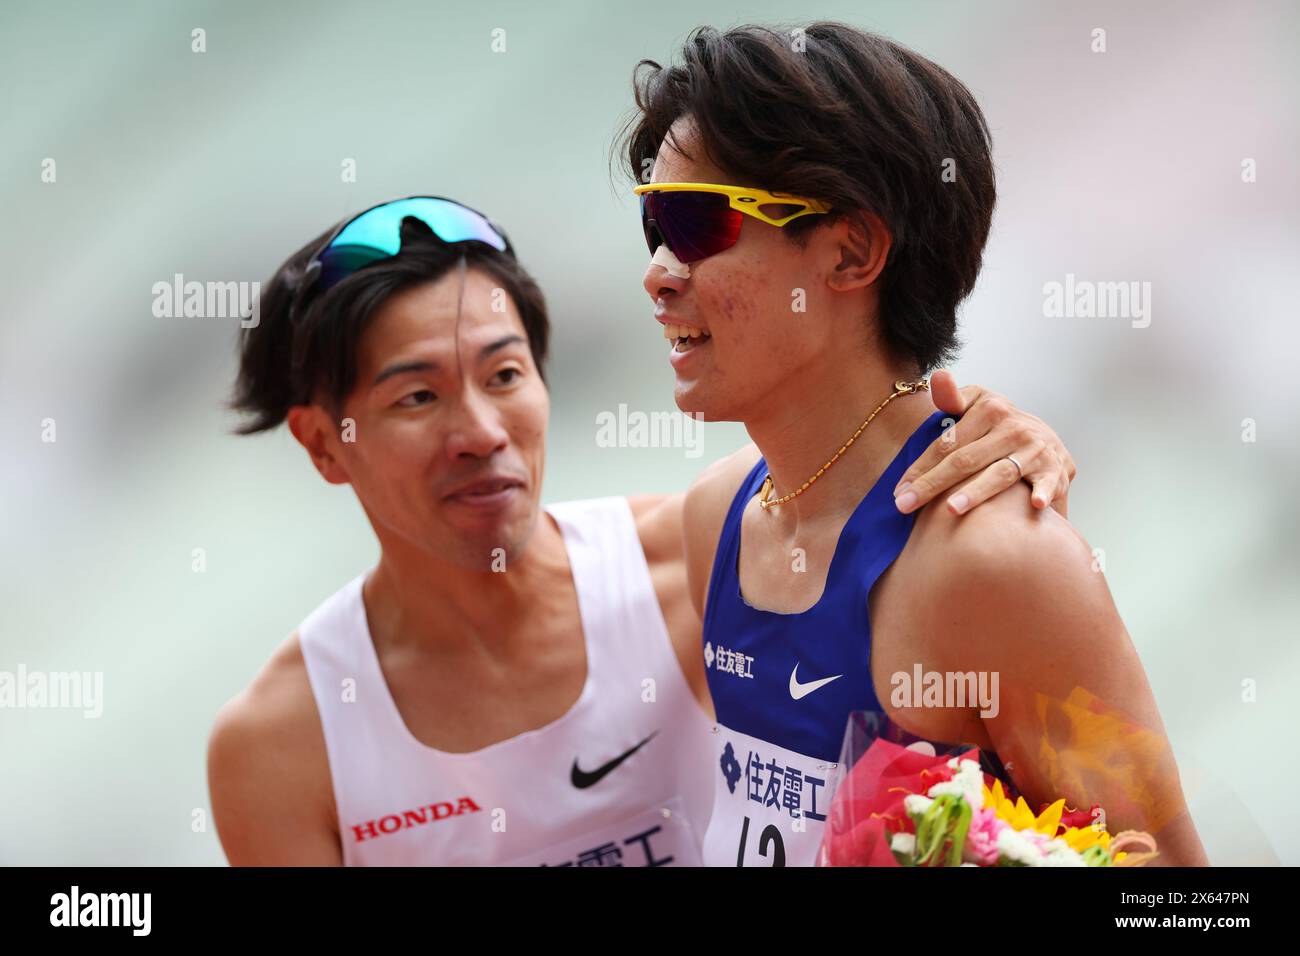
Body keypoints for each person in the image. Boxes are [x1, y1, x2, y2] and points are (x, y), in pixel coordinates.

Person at [206, 196, 1079, 865]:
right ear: (325, 443)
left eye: (505, 374)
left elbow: (895, 489)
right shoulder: (280, 748)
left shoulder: (711, 556)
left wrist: (996, 436)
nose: (480, 431)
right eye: (418, 396)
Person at [623, 22, 1208, 866]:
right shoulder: (717, 516)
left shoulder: (999, 564)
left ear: (853, 251)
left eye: (695, 221)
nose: (658, 270)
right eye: (653, 222)